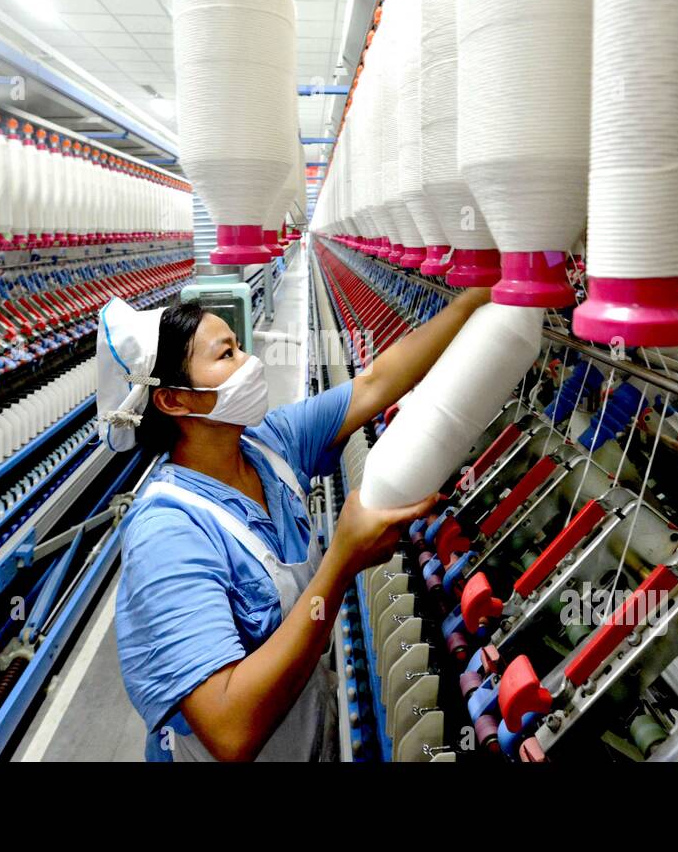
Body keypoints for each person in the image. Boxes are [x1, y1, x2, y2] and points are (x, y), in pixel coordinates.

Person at [97, 285, 491, 761]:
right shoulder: (168, 534)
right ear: (175, 402)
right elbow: (229, 729)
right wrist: (341, 563)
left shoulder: (267, 445)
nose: (251, 361)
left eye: (240, 346)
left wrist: (473, 302)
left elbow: (374, 384)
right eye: (227, 355)